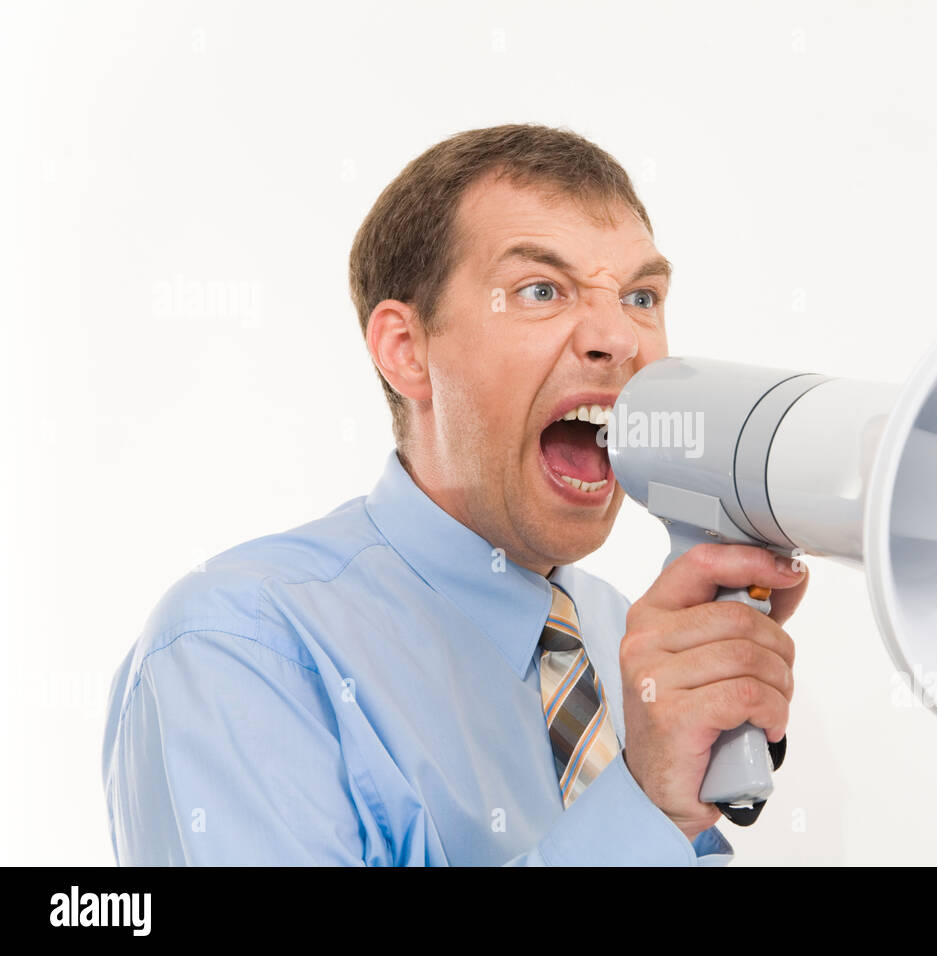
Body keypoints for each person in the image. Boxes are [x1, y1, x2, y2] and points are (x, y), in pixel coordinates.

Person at [101, 123, 809, 865]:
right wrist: (644, 804)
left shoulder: (623, 637)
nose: (618, 339)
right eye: (541, 290)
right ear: (408, 352)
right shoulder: (239, 647)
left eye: (640, 296)